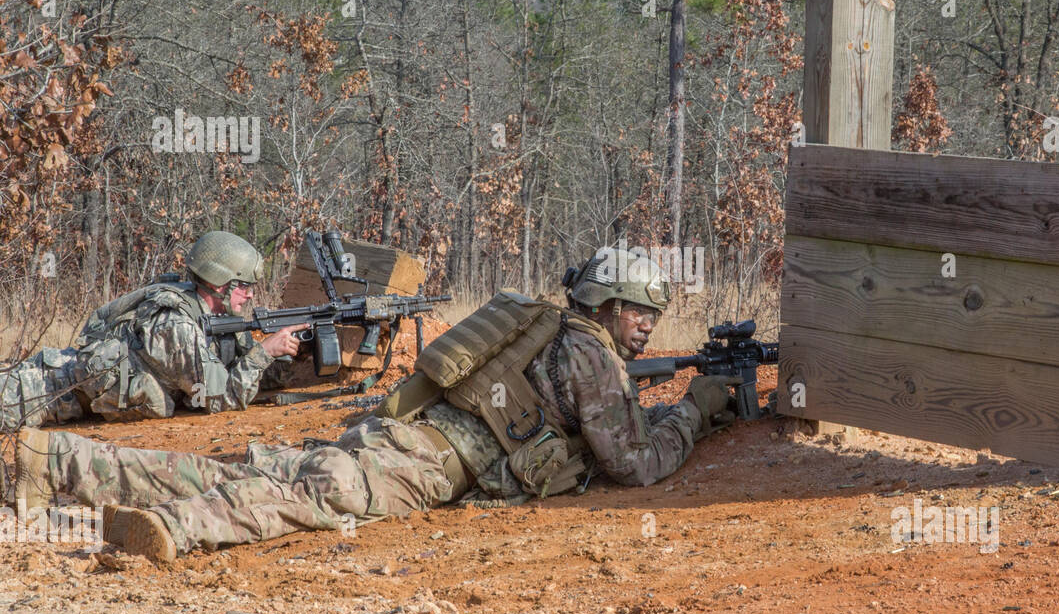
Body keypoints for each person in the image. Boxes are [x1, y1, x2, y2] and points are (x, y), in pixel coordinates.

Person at [7, 247, 737, 562]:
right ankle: (171, 528)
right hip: (427, 462)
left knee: (253, 476)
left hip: (405, 435)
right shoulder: (590, 351)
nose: (646, 326)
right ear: (606, 306)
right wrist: (696, 412)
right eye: (640, 312)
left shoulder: (553, 329)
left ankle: (60, 460)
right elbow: (634, 465)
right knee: (303, 502)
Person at [0, 231, 305, 433]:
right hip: (34, 392)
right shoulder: (176, 326)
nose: (251, 295)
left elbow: (249, 376)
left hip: (57, 394)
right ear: (219, 282)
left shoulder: (211, 314)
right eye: (245, 287)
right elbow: (220, 398)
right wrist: (264, 352)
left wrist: (293, 349)